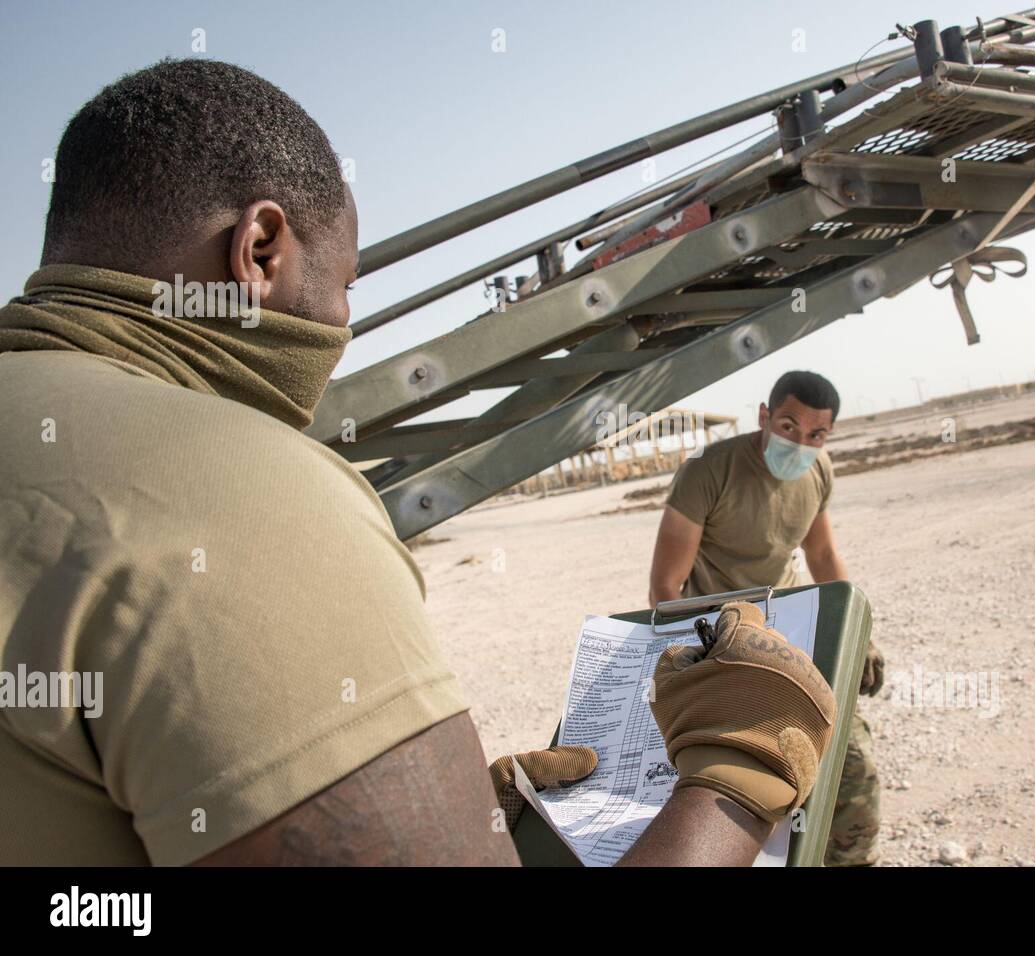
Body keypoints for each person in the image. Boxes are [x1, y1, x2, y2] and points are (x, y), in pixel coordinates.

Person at [0, 59, 834, 867]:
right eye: (348, 286)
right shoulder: (234, 491)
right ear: (259, 251)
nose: (342, 322)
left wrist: (438, 813)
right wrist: (738, 777)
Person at [648, 370, 887, 865]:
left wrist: (859, 634)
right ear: (764, 416)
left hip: (792, 633)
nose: (800, 443)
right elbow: (665, 587)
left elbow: (822, 557)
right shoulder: (708, 470)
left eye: (816, 435)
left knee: (849, 765)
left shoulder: (817, 470)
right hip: (725, 642)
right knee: (738, 795)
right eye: (788, 426)